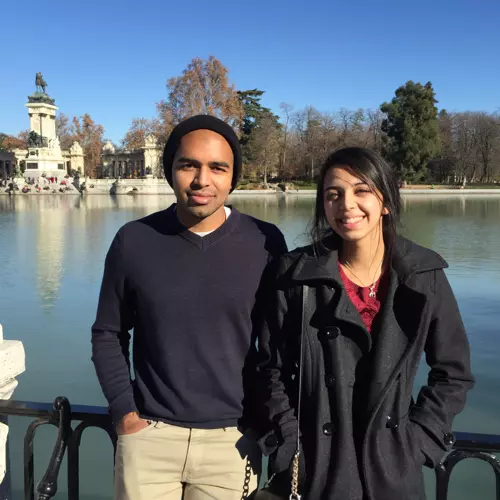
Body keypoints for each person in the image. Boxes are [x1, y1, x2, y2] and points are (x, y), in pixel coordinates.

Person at [255, 147, 474, 500]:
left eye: (361, 190)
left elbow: (453, 371)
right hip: (317, 467)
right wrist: (289, 441)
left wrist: (419, 440)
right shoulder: (295, 274)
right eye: (333, 194)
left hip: (393, 468)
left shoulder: (423, 275)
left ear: (385, 201)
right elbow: (270, 368)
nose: (346, 205)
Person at [91, 115, 287, 500]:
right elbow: (108, 333)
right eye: (188, 165)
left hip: (231, 442)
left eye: (217, 167)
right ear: (170, 171)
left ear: (233, 177)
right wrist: (125, 414)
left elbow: (277, 344)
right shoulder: (134, 240)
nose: (202, 180)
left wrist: (261, 419)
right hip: (149, 436)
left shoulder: (264, 241)